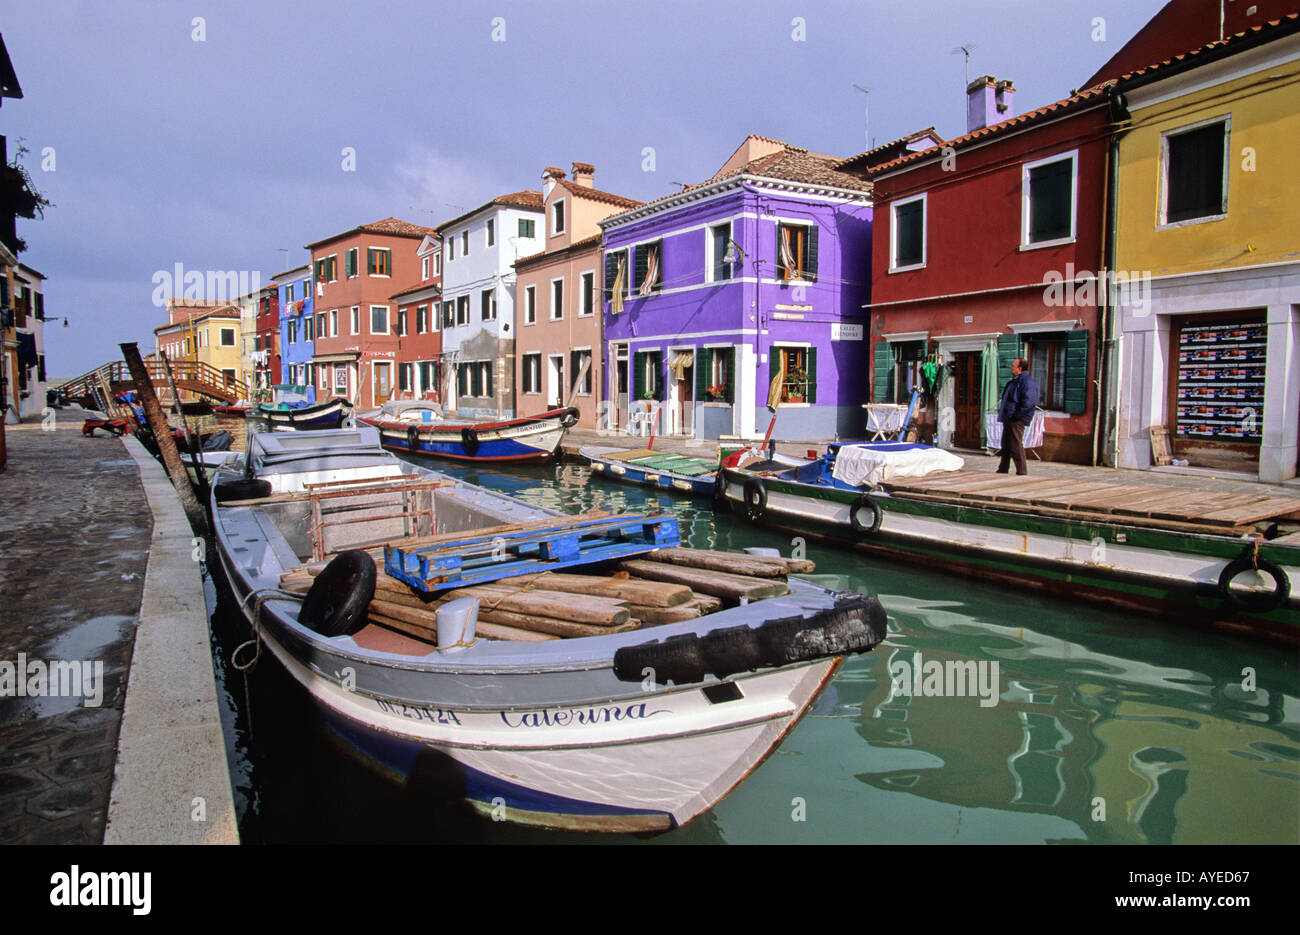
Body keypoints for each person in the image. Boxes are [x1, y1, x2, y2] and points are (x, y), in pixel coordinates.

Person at [996, 357, 1039, 475]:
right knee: (1006, 444)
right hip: (1010, 417)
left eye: (1013, 366)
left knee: (1016, 444)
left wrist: (1018, 416)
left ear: (1020, 369)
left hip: (1016, 418)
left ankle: (1022, 471)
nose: (1011, 368)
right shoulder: (1015, 381)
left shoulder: (1027, 381)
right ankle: (1003, 468)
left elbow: (1029, 402)